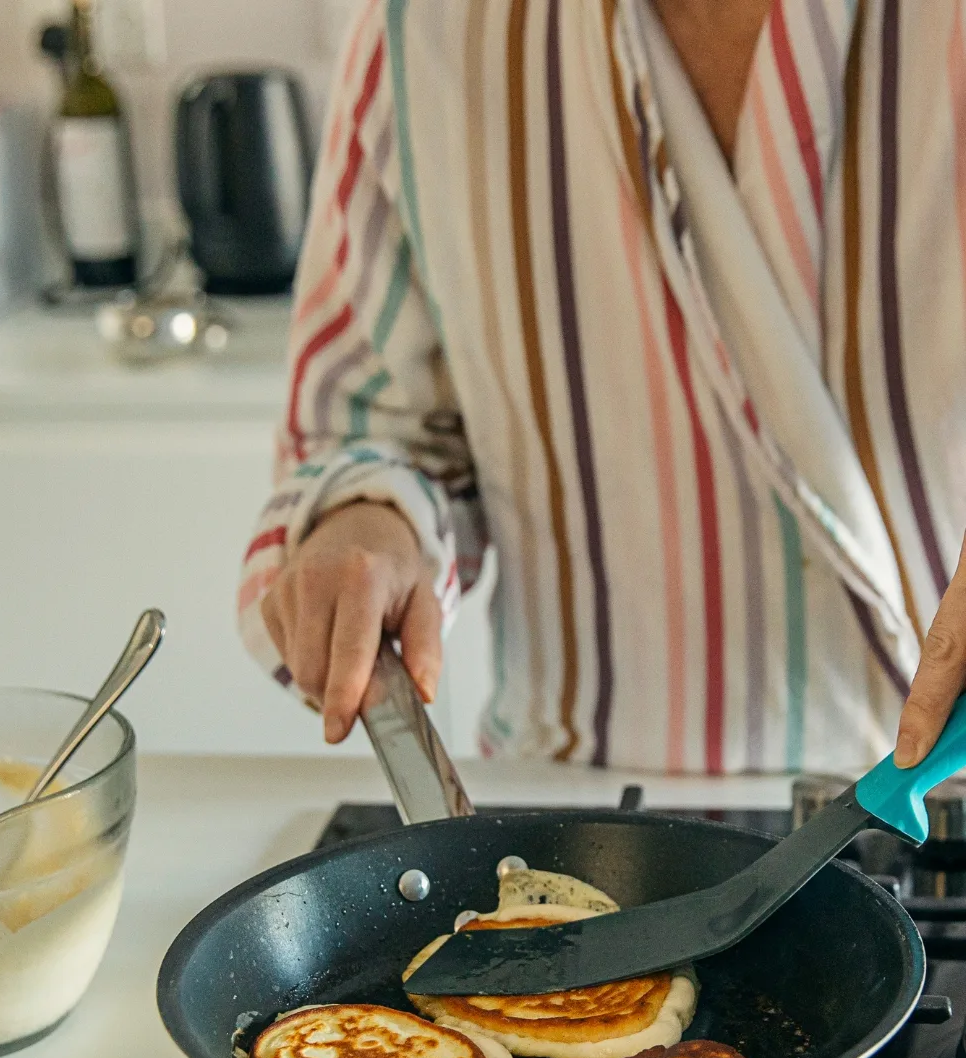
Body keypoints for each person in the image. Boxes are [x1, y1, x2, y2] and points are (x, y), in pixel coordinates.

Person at [239, 0, 966, 775]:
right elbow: (367, 429)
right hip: (575, 804)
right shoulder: (418, 34)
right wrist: (368, 523)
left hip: (938, 785)